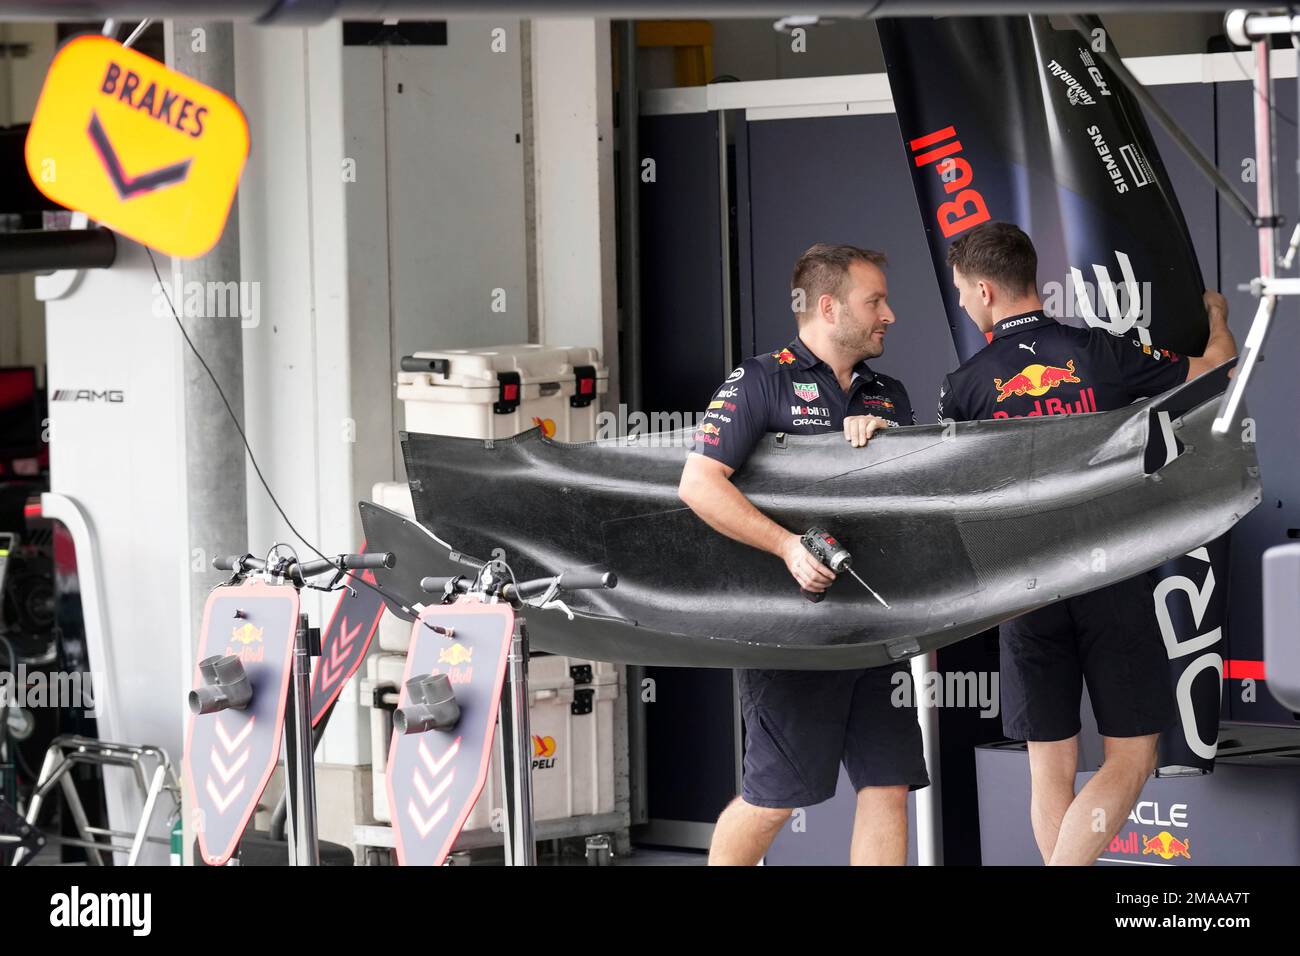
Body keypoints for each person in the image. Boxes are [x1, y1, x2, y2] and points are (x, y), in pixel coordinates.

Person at [931, 220, 1235, 865]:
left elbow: (945, 497)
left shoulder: (965, 386)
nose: (961, 301)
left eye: (961, 290)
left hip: (1021, 588)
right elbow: (1218, 371)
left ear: (985, 290)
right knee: (1133, 752)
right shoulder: (1103, 352)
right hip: (1110, 573)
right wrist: (1216, 314)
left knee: (1050, 763)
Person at [677, 243, 929, 866]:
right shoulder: (761, 379)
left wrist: (893, 445)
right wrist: (788, 546)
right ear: (827, 306)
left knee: (887, 785)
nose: (889, 315)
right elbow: (698, 484)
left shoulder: (887, 393)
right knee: (774, 799)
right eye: (874, 301)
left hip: (876, 627)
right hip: (792, 633)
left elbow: (919, 495)